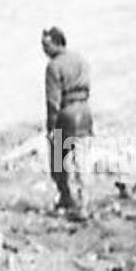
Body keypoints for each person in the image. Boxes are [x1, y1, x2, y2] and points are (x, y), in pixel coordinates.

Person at [41, 26, 92, 221]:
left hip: (66, 115)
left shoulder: (53, 66)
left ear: (56, 42)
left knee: (57, 159)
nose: (44, 50)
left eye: (46, 45)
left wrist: (51, 128)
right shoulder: (80, 59)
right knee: (81, 161)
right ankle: (83, 204)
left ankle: (66, 197)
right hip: (84, 111)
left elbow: (52, 101)